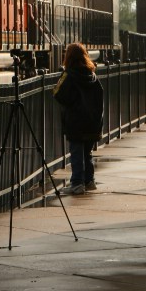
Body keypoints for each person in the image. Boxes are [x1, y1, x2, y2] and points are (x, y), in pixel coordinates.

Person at [53, 43, 104, 194]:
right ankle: (89, 180)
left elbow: (58, 93)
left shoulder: (69, 75)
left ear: (68, 57)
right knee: (87, 153)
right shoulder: (93, 76)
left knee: (76, 153)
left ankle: (76, 183)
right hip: (92, 123)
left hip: (75, 122)